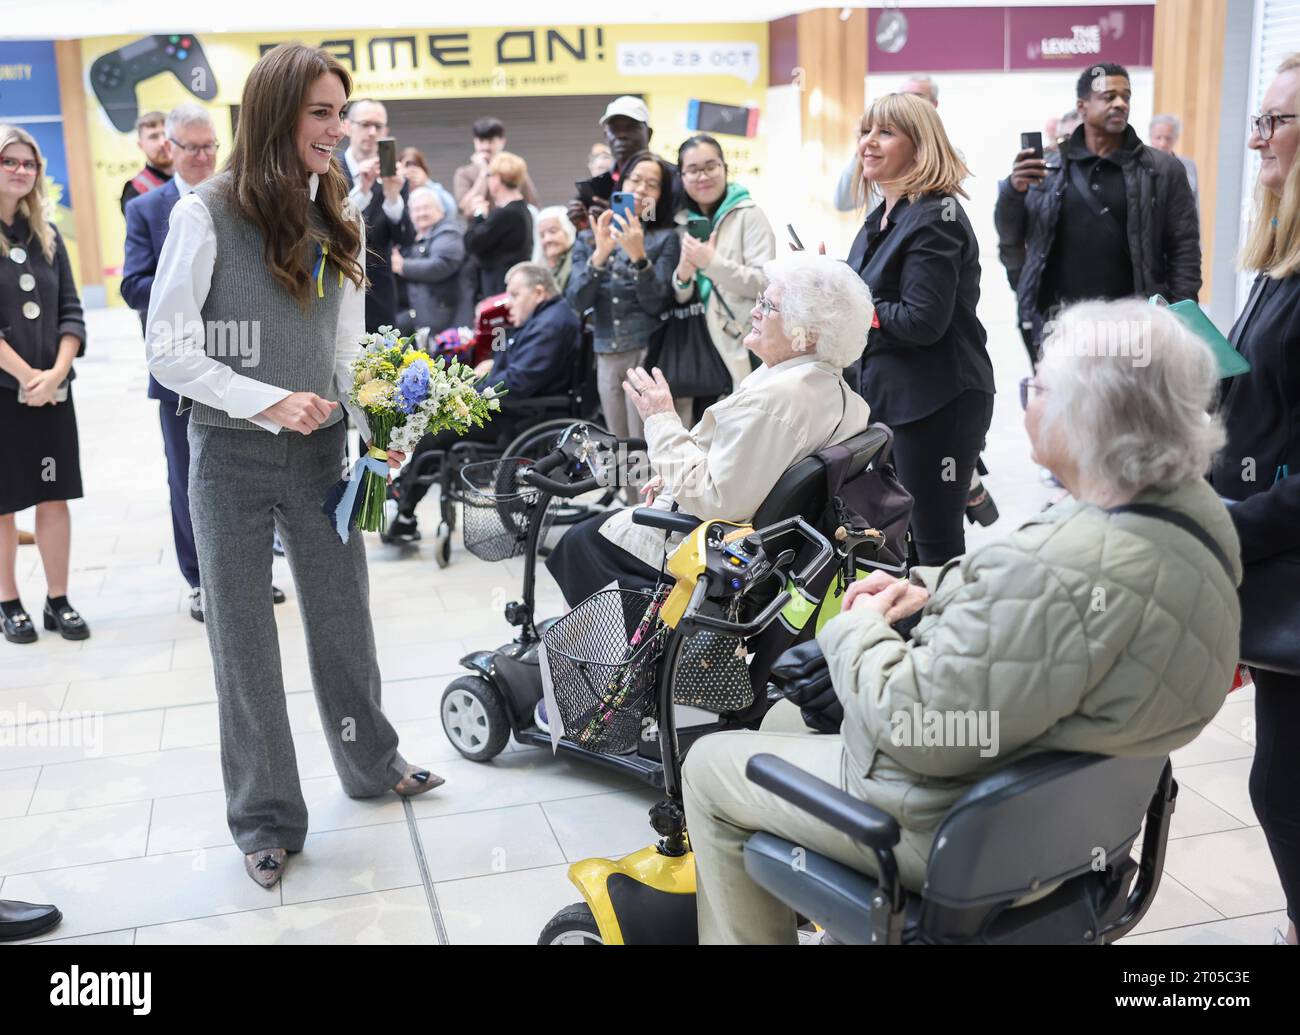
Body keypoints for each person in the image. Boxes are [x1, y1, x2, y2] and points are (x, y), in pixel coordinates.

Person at [683, 299, 1241, 944]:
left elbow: (917, 728)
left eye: (1038, 389)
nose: (1027, 402)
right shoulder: (1195, 518)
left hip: (952, 833)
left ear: (1087, 419)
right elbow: (1051, 593)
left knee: (713, 763)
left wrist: (854, 627)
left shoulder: (1051, 568)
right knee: (794, 716)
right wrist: (928, 585)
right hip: (1085, 824)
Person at [144, 44, 442, 889]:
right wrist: (263, 398)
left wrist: (382, 413)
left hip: (322, 453)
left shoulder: (336, 210)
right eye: (321, 112)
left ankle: (371, 761)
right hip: (228, 455)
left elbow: (342, 348)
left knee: (344, 614)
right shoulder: (203, 213)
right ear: (277, 115)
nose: (337, 128)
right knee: (242, 640)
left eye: (340, 112)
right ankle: (266, 816)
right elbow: (168, 348)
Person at [547, 252, 873, 608]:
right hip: (771, 549)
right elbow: (739, 466)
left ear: (807, 332)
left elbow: (715, 499)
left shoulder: (779, 398)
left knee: (578, 541)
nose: (754, 311)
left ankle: (584, 659)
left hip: (719, 551)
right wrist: (672, 476)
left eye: (768, 304)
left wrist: (660, 418)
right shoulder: (839, 395)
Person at [122, 105, 287, 623]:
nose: (201, 156)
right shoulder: (146, 209)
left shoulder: (239, 202)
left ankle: (254, 574)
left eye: (209, 146)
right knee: (188, 478)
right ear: (168, 148)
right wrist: (188, 286)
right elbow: (132, 285)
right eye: (190, 147)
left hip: (243, 363)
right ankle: (201, 583)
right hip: (179, 371)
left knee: (251, 477)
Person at [1210, 53, 1300, 947]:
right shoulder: (1281, 260)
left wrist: (1222, 524)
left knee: (1284, 785)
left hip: (1281, 549)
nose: (1255, 136)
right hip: (1271, 549)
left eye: (1275, 122)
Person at [846, 93, 994, 566]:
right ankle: (911, 633)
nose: (868, 143)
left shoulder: (935, 218)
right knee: (898, 536)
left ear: (921, 146)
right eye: (865, 131)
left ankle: (945, 636)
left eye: (885, 132)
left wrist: (849, 303)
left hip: (937, 401)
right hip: (896, 400)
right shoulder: (882, 220)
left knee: (931, 538)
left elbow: (920, 321)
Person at [995, 62, 1201, 355]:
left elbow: (1184, 250)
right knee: (1060, 401)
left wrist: (1180, 318)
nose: (1120, 103)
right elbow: (1010, 233)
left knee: (1132, 402)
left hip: (1134, 329)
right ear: (1082, 106)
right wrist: (1013, 192)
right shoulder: (1049, 167)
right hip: (1060, 324)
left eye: (1126, 96)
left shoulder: (1163, 170)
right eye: (1109, 97)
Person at [386, 261, 580, 542]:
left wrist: (469, 395)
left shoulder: (550, 324)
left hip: (524, 414)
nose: (508, 303)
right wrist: (487, 370)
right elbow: (516, 372)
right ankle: (404, 500)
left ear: (538, 292)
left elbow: (518, 384)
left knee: (435, 432)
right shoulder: (547, 318)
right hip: (522, 405)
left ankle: (404, 507)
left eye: (515, 295)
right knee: (434, 422)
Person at [0, 125, 89, 646]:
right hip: (6, 394)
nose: (20, 171)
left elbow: (71, 313)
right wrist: (25, 375)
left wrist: (55, 373)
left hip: (53, 391)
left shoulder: (48, 237)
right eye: (9, 161)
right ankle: (8, 601)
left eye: (28, 164)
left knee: (54, 496)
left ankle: (58, 599)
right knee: (5, 503)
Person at [566, 149, 680, 444]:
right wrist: (600, 255)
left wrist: (639, 258)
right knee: (618, 447)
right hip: (605, 353)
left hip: (646, 352)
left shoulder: (665, 237)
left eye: (652, 184)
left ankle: (654, 494)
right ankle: (625, 494)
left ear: (661, 194)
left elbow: (658, 303)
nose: (641, 189)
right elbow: (576, 302)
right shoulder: (590, 236)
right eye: (635, 179)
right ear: (622, 184)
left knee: (647, 445)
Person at [672, 134, 776, 416]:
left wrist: (710, 262)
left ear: (724, 168)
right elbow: (681, 295)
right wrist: (682, 275)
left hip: (738, 340)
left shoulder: (749, 214)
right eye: (692, 170)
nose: (702, 176)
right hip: (696, 345)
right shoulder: (681, 222)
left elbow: (764, 282)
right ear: (681, 176)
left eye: (710, 166)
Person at [339, 98, 415, 332]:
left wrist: (393, 197)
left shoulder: (393, 176)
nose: (372, 132)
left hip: (378, 291)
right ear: (347, 126)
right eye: (365, 124)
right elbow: (327, 228)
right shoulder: (329, 170)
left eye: (378, 127)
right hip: (337, 284)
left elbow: (405, 238)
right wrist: (361, 191)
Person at [567, 97, 681, 232]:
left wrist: (619, 219)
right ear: (606, 135)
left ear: (648, 134)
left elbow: (655, 226)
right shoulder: (597, 188)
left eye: (631, 128)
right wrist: (583, 225)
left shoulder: (673, 177)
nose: (621, 135)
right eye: (614, 129)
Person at [834, 76, 937, 212]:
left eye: (886, 132)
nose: (907, 104)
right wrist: (864, 152)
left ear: (934, 105)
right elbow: (843, 203)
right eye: (867, 131)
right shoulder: (876, 156)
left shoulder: (943, 159)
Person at [392, 187, 464, 335]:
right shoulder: (411, 237)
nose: (421, 213)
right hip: (414, 316)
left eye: (426, 208)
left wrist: (402, 266)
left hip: (440, 319)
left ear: (440, 210)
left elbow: (442, 264)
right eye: (416, 209)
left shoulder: (448, 231)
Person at [463, 151, 534, 301]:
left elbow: (472, 242)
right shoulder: (522, 210)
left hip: (499, 288)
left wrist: (478, 215)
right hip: (509, 286)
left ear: (497, 179)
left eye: (489, 176)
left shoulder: (506, 214)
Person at [453, 117, 539, 220]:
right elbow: (464, 208)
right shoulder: (464, 173)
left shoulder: (514, 169)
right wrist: (484, 172)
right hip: (481, 231)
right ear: (474, 141)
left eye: (490, 141)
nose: (485, 147)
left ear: (502, 142)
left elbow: (533, 204)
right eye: (481, 141)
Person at [119, 111, 173, 215]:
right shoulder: (135, 191)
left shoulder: (190, 179)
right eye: (153, 137)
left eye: (166, 134)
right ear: (141, 145)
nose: (163, 142)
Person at [1150, 113, 1199, 201]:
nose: (1163, 144)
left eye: (1168, 138)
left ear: (1176, 138)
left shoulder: (1189, 165)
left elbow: (1194, 201)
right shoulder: (1140, 165)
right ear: (1151, 137)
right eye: (1158, 138)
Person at [534, 205, 577, 294]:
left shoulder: (579, 259)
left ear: (568, 230)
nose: (547, 239)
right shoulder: (544, 266)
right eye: (542, 235)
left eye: (553, 231)